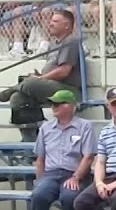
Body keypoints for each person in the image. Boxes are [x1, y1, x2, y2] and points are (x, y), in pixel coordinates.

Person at [1, 7, 82, 142]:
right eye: (51, 20)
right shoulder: (53, 44)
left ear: (67, 25)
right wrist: (39, 75)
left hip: (68, 89)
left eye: (55, 21)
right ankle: (31, 140)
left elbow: (64, 71)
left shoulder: (70, 41)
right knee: (17, 97)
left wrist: (40, 78)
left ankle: (4, 95)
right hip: (51, 86)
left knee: (30, 83)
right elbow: (52, 70)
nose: (50, 23)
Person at [30, 89, 96, 210]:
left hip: (74, 172)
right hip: (51, 173)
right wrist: (40, 180)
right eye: (53, 103)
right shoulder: (45, 128)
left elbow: (88, 157)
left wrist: (77, 176)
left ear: (71, 106)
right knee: (39, 193)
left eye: (58, 103)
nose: (54, 106)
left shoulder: (84, 126)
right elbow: (40, 158)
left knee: (69, 196)